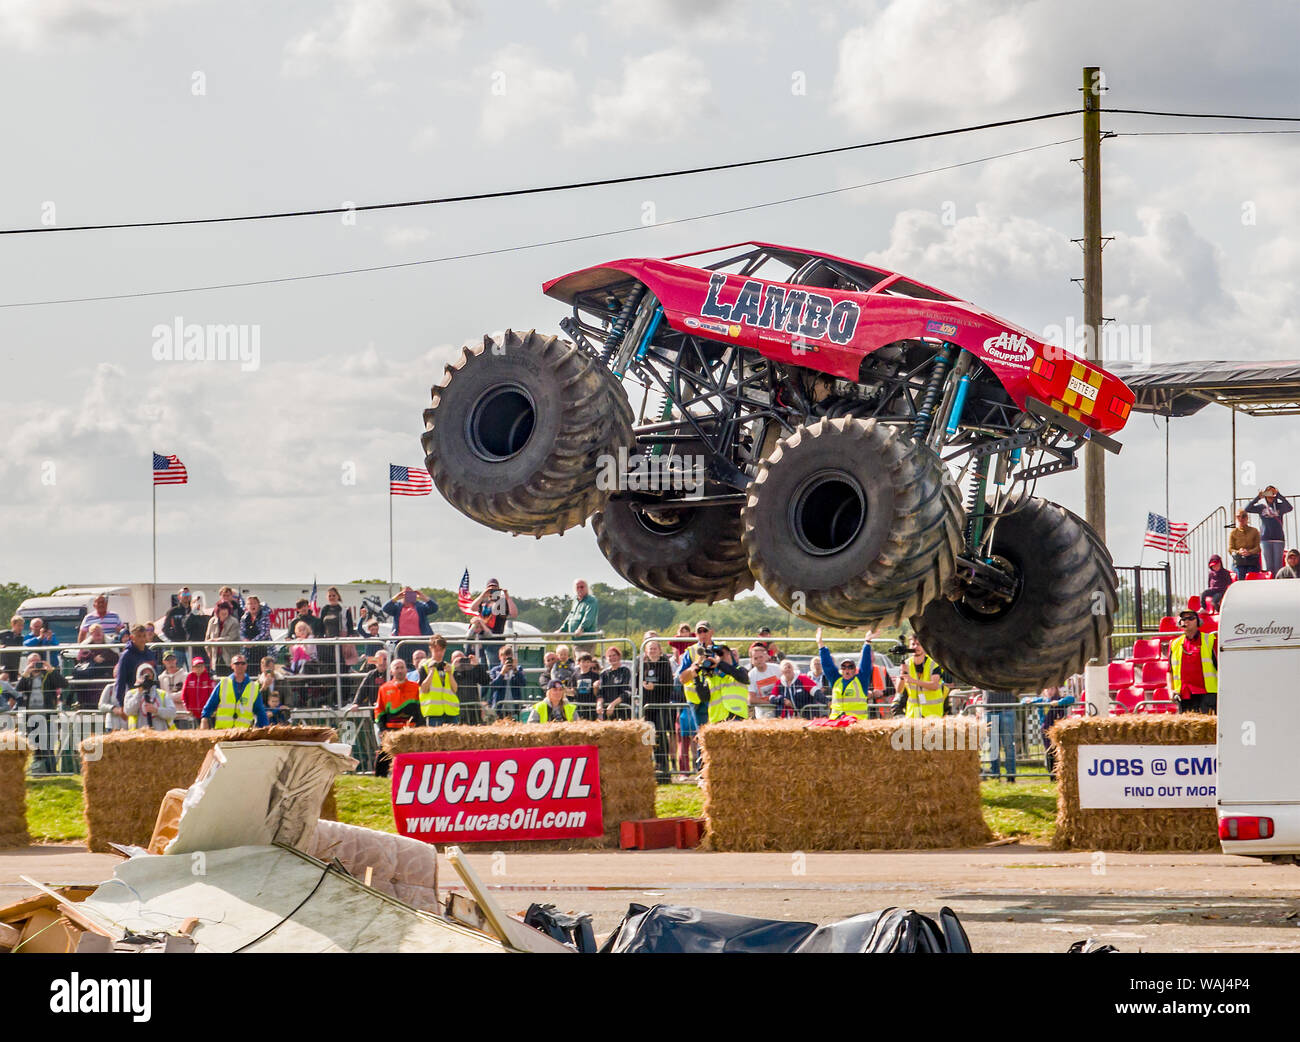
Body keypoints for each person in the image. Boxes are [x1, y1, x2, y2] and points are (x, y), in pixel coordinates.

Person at [678, 621, 749, 724]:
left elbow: (735, 671)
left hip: (719, 698)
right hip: (698, 698)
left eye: (705, 631)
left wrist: (719, 663)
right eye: (700, 632)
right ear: (696, 634)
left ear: (711, 632)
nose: (703, 634)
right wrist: (694, 669)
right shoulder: (691, 651)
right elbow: (682, 679)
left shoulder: (721, 649)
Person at [816, 628, 875, 721]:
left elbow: (866, 664)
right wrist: (820, 644)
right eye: (844, 667)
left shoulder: (861, 680)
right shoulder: (836, 680)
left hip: (857, 722)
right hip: (836, 721)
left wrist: (867, 642)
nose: (847, 669)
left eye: (850, 667)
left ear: (855, 670)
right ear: (841, 670)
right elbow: (827, 664)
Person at [640, 638, 676, 777]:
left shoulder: (665, 664)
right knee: (648, 735)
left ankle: (663, 765)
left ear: (660, 650)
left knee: (660, 734)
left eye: (655, 648)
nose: (652, 651)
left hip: (661, 704)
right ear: (646, 651)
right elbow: (638, 683)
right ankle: (649, 763)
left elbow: (669, 684)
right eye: (650, 648)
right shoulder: (643, 664)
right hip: (647, 706)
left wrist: (655, 686)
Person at [200, 654, 268, 729]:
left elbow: (260, 711)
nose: (240, 666)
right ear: (232, 665)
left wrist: (265, 727)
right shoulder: (223, 683)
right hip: (223, 730)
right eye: (237, 663)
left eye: (243, 663)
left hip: (243, 732)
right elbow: (211, 703)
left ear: (246, 666)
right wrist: (204, 719)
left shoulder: (254, 687)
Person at [1170, 609, 1217, 714]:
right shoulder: (1175, 644)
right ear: (1180, 623)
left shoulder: (1210, 640)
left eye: (1191, 618)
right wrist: (1171, 690)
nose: (1187, 621)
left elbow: (1221, 667)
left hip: (1207, 694)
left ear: (1198, 622)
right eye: (1184, 619)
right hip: (1184, 694)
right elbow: (1169, 671)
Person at [892, 636, 947, 717]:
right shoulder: (906, 664)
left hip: (932, 714)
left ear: (924, 647)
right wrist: (902, 676)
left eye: (918, 644)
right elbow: (899, 690)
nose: (915, 647)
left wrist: (912, 680)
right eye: (913, 644)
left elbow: (934, 685)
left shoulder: (934, 664)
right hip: (913, 714)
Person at [383, 586, 438, 666]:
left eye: (410, 593)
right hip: (401, 644)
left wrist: (423, 597)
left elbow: (434, 608)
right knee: (402, 665)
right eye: (405, 593)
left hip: (419, 642)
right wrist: (395, 598)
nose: (407, 596)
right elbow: (385, 608)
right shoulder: (397, 607)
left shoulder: (420, 606)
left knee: (422, 665)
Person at [1246, 486, 1293, 576]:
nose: (1270, 496)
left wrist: (1279, 495)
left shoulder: (1279, 506)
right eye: (1268, 493)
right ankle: (1271, 585)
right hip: (1265, 539)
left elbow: (1290, 507)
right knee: (1269, 567)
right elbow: (1247, 509)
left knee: (1278, 566)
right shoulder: (1261, 507)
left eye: (1272, 493)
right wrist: (1258, 497)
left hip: (1278, 539)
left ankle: (1278, 584)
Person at [113, 624, 159, 709]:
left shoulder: (150, 654)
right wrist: (122, 705)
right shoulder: (126, 656)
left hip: (151, 699)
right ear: (132, 637)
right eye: (139, 636)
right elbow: (120, 682)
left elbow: (156, 678)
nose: (142, 639)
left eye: (144, 636)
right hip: (133, 698)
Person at [467, 578, 517, 655]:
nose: (492, 591)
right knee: (481, 665)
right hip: (482, 639)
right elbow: (472, 608)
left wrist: (507, 596)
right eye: (490, 588)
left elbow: (514, 614)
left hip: (496, 639)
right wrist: (483, 595)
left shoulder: (502, 602)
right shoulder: (483, 602)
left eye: (495, 589)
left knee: (493, 664)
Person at [123, 662, 179, 731]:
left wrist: (156, 710)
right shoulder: (131, 694)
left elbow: (172, 713)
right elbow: (128, 711)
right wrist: (139, 693)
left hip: (161, 735)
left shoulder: (162, 694)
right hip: (139, 737)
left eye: (149, 675)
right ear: (138, 677)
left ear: (153, 676)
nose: (146, 677)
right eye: (143, 674)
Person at [418, 635, 459, 725]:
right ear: (431, 649)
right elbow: (424, 690)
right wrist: (431, 673)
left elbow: (455, 689)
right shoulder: (424, 667)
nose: (439, 653)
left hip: (451, 712)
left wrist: (450, 674)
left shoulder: (450, 667)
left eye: (441, 650)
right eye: (436, 650)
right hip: (433, 713)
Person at [982, 689, 1017, 783]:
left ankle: (1010, 775)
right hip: (991, 709)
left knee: (1008, 745)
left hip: (1006, 709)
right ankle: (995, 775)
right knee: (994, 746)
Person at [451, 649, 490, 724]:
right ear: (452, 661)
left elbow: (486, 681)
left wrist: (477, 666)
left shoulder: (472, 670)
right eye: (457, 659)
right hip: (457, 708)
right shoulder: (450, 672)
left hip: (474, 708)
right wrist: (453, 668)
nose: (461, 661)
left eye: (463, 658)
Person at [745, 642, 783, 719]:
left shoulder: (777, 668)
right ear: (752, 661)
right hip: (763, 715)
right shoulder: (751, 675)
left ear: (766, 657)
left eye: (761, 657)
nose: (759, 660)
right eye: (755, 658)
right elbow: (751, 699)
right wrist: (769, 703)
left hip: (781, 710)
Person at [488, 648, 528, 717]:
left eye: (509, 658)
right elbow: (493, 686)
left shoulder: (518, 668)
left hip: (514, 707)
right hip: (499, 707)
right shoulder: (495, 670)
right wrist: (502, 673)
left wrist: (515, 671)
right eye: (504, 659)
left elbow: (523, 683)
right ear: (500, 657)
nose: (507, 661)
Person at [596, 646, 632, 720]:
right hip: (608, 711)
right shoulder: (604, 673)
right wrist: (599, 705)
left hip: (623, 710)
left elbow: (627, 692)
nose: (612, 658)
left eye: (614, 655)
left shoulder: (625, 671)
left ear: (619, 656)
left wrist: (613, 704)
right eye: (609, 656)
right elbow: (600, 693)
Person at [205, 602, 240, 675]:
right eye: (222, 609)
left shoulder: (234, 622)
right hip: (215, 657)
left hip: (229, 657)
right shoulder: (212, 621)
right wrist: (209, 653)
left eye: (226, 609)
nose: (224, 611)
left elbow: (231, 637)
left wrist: (216, 640)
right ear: (217, 611)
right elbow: (207, 638)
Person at [1228, 509, 1263, 580]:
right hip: (1239, 562)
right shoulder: (1233, 533)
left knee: (1250, 574)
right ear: (1236, 518)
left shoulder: (1254, 531)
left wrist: (1249, 552)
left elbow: (1258, 548)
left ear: (1247, 518)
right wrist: (1239, 552)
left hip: (1252, 561)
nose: (1241, 519)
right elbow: (1230, 549)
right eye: (1238, 516)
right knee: (1240, 574)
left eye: (1243, 516)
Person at [239, 594, 272, 666]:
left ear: (258, 605)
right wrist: (245, 640)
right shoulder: (244, 618)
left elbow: (265, 633)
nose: (252, 605)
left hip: (263, 649)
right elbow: (241, 632)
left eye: (254, 603)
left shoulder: (264, 616)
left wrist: (253, 642)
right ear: (246, 606)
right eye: (250, 603)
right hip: (248, 651)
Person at [157, 651, 189, 723]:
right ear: (163, 662)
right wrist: (173, 697)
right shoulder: (161, 678)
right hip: (167, 717)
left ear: (176, 660)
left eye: (172, 659)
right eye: (168, 660)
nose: (170, 662)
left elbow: (184, 696)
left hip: (182, 715)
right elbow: (161, 697)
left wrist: (168, 697)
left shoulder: (185, 675)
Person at [181, 655, 214, 723]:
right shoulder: (189, 677)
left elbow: (213, 695)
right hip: (193, 714)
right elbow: (184, 695)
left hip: (207, 713)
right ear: (193, 668)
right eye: (197, 666)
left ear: (204, 666)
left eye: (201, 665)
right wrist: (188, 709)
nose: (199, 668)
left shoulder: (209, 677)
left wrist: (213, 708)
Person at [571, 652, 603, 719]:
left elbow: (598, 694)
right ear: (579, 663)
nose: (585, 664)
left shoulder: (595, 676)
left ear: (591, 663)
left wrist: (595, 687)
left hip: (591, 706)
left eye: (588, 662)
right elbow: (573, 691)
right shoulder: (575, 675)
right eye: (583, 662)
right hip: (579, 706)